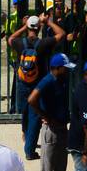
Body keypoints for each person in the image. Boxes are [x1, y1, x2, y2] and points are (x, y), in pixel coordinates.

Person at [8, 13, 63, 160]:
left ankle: (26, 137)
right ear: (39, 28)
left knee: (25, 112)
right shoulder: (43, 44)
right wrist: (48, 22)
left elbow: (10, 39)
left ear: (28, 28)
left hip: (22, 83)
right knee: (35, 116)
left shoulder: (21, 44)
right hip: (37, 85)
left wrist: (23, 27)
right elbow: (61, 34)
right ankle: (29, 150)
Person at [29, 52, 75, 171]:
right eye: (65, 68)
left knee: (61, 163)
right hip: (51, 128)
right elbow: (32, 99)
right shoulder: (47, 81)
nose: (67, 71)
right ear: (57, 68)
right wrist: (45, 116)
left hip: (61, 127)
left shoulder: (60, 80)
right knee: (48, 164)